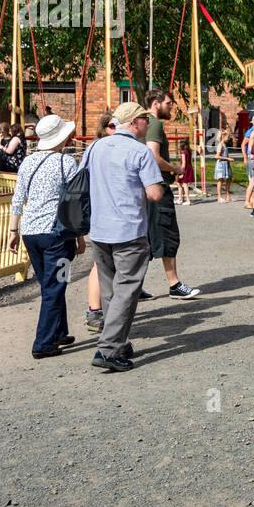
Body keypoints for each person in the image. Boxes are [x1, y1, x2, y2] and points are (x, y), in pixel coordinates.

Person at [85, 102, 165, 372]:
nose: (147, 123)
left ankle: (116, 341)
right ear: (133, 122)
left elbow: (83, 179)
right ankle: (108, 350)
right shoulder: (139, 151)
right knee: (127, 290)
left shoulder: (95, 146)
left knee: (110, 289)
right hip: (128, 230)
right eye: (145, 118)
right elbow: (154, 193)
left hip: (99, 228)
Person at [7, 114, 82, 359]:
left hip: (30, 233)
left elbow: (18, 198)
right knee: (56, 285)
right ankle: (43, 342)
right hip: (57, 235)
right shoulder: (66, 163)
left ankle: (59, 330)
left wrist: (13, 230)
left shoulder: (27, 163)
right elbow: (74, 202)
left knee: (50, 284)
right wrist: (80, 235)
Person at [143, 88, 200, 299]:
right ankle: (174, 284)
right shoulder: (155, 123)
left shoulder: (141, 122)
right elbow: (152, 156)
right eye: (169, 103)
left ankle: (135, 285)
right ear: (156, 103)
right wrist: (175, 169)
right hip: (157, 187)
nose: (171, 107)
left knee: (145, 237)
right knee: (168, 235)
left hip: (144, 188)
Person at [85, 112, 117, 333]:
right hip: (103, 212)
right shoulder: (99, 149)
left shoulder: (100, 148)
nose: (118, 129)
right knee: (100, 264)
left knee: (107, 263)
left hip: (106, 212)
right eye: (113, 125)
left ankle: (103, 309)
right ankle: (96, 310)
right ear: (105, 128)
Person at [241, 116, 254, 211]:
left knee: (253, 181)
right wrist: (244, 158)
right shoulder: (250, 132)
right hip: (251, 157)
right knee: (252, 181)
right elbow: (243, 144)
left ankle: (252, 201)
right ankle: (248, 201)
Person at [214, 131, 235, 202]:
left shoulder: (224, 144)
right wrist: (227, 159)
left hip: (226, 164)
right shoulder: (220, 145)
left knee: (229, 178)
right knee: (221, 180)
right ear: (223, 137)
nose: (229, 138)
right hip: (221, 164)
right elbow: (217, 156)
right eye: (228, 137)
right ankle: (219, 197)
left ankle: (227, 196)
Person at [175, 137, 194, 205]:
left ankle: (188, 201)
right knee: (179, 183)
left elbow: (184, 163)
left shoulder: (183, 152)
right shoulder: (189, 151)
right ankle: (180, 199)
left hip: (184, 169)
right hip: (188, 168)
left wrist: (182, 172)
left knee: (185, 184)